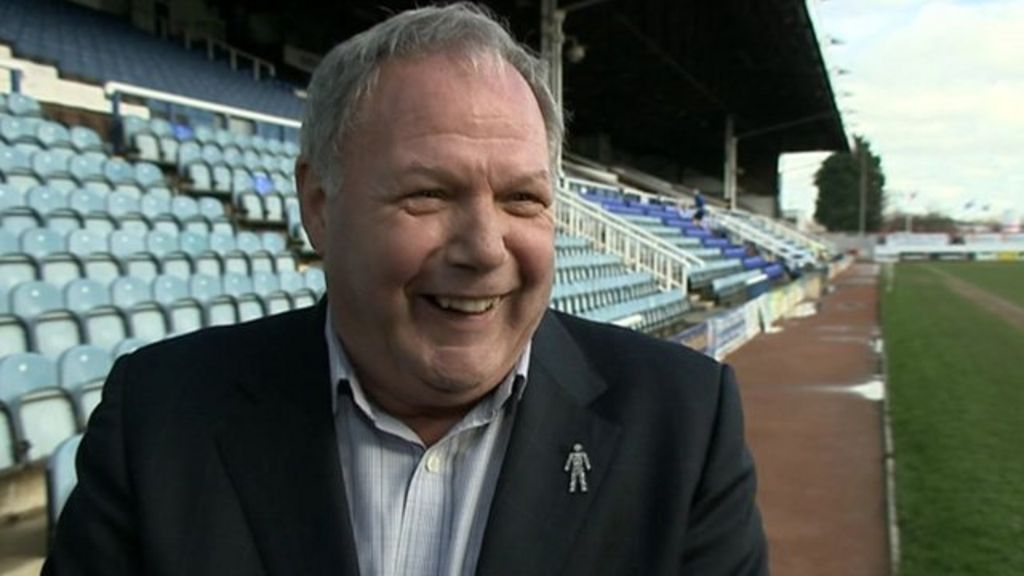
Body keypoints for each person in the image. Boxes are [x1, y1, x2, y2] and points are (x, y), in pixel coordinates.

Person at [44, 4, 767, 575]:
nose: (485, 249)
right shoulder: (160, 416)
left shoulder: (684, 423)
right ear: (320, 205)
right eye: (428, 194)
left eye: (522, 200)